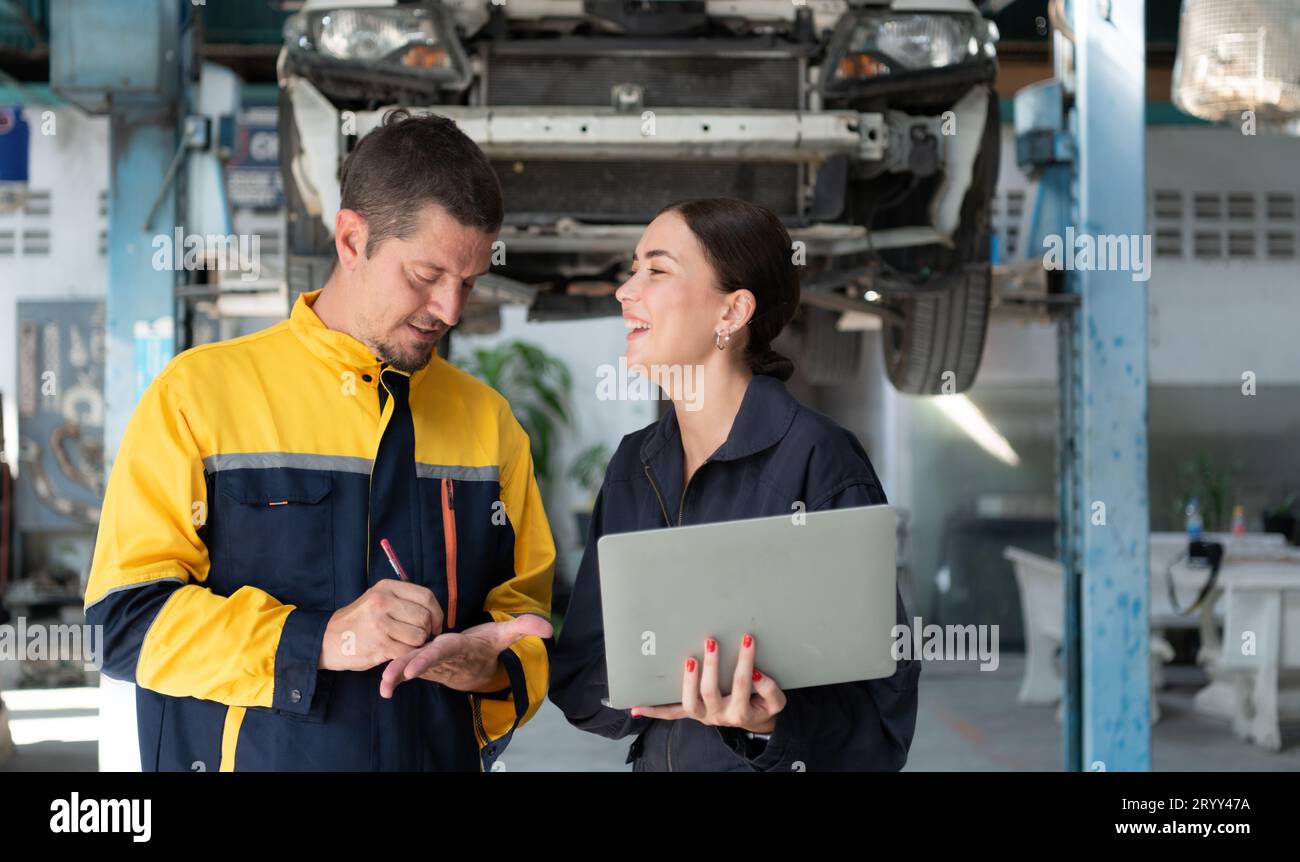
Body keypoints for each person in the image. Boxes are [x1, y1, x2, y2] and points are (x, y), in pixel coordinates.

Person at [84, 110, 554, 772]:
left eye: (468, 282)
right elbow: (124, 624)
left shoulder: (488, 421)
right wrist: (320, 639)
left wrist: (491, 667)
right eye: (425, 276)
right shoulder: (199, 396)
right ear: (352, 239)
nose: (450, 310)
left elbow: (523, 619)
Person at [549, 197, 920, 771]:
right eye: (632, 268)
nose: (626, 290)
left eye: (656, 268)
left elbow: (881, 720)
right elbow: (579, 686)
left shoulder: (818, 459)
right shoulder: (633, 465)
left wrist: (771, 726)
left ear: (732, 312)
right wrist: (663, 690)